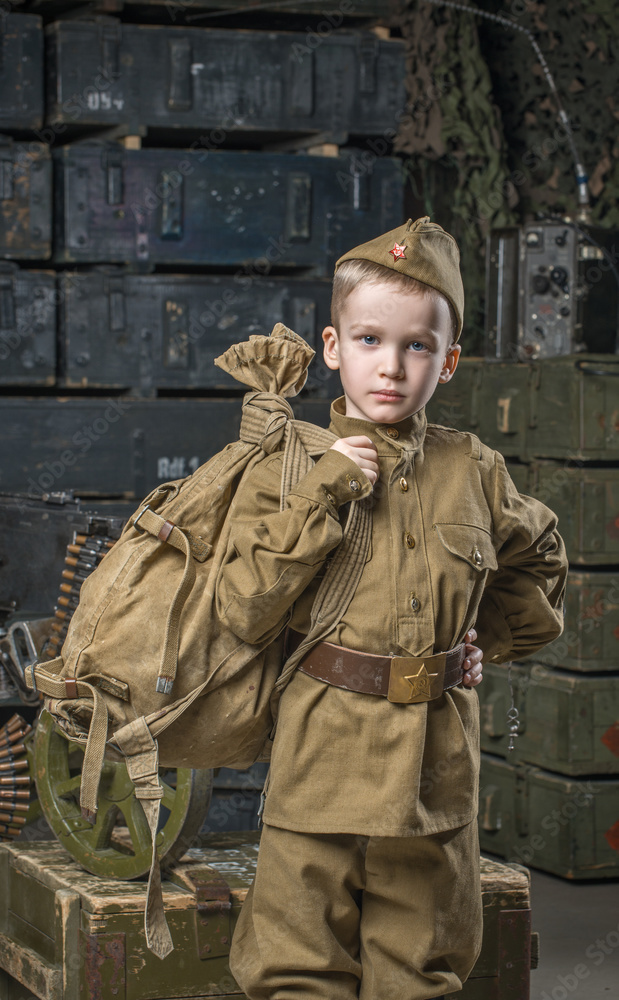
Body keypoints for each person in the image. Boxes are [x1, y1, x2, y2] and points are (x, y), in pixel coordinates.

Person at [216, 217, 567, 999]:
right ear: (332, 346)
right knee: (296, 972)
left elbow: (537, 555)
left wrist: (484, 637)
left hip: (434, 779)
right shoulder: (287, 467)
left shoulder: (472, 469)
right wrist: (325, 491)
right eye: (369, 340)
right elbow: (242, 605)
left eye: (417, 346)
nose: (391, 366)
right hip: (320, 767)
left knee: (421, 974)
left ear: (448, 361)